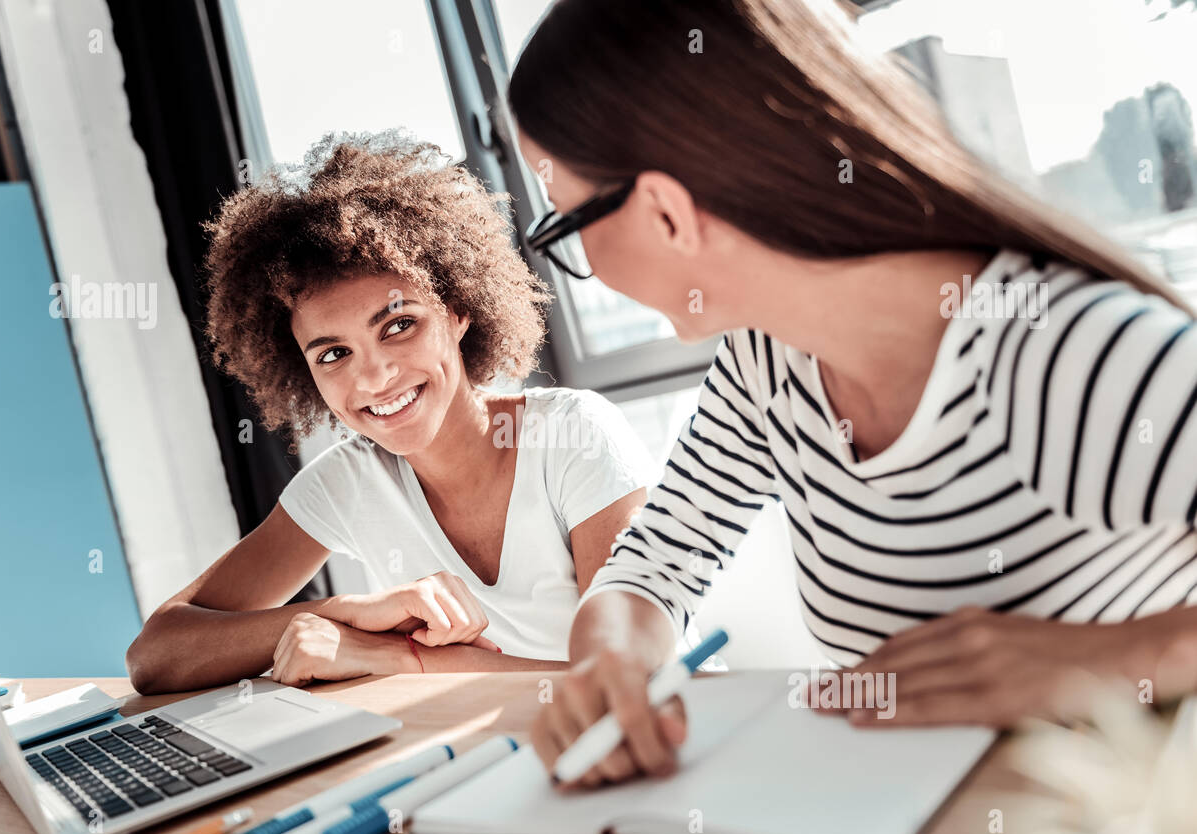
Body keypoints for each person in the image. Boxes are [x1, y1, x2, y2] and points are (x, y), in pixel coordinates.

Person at [507, 0, 1197, 786]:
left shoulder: (1063, 350)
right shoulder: (766, 362)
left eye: (565, 224)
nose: (573, 263)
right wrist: (613, 661)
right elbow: (657, 562)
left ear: (666, 213)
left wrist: (1105, 661)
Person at [124, 131, 653, 694]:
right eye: (333, 354)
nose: (374, 378)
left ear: (456, 312)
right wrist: (344, 614)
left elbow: (625, 681)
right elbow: (155, 656)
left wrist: (403, 659)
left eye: (399, 325)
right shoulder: (347, 482)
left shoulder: (574, 435)